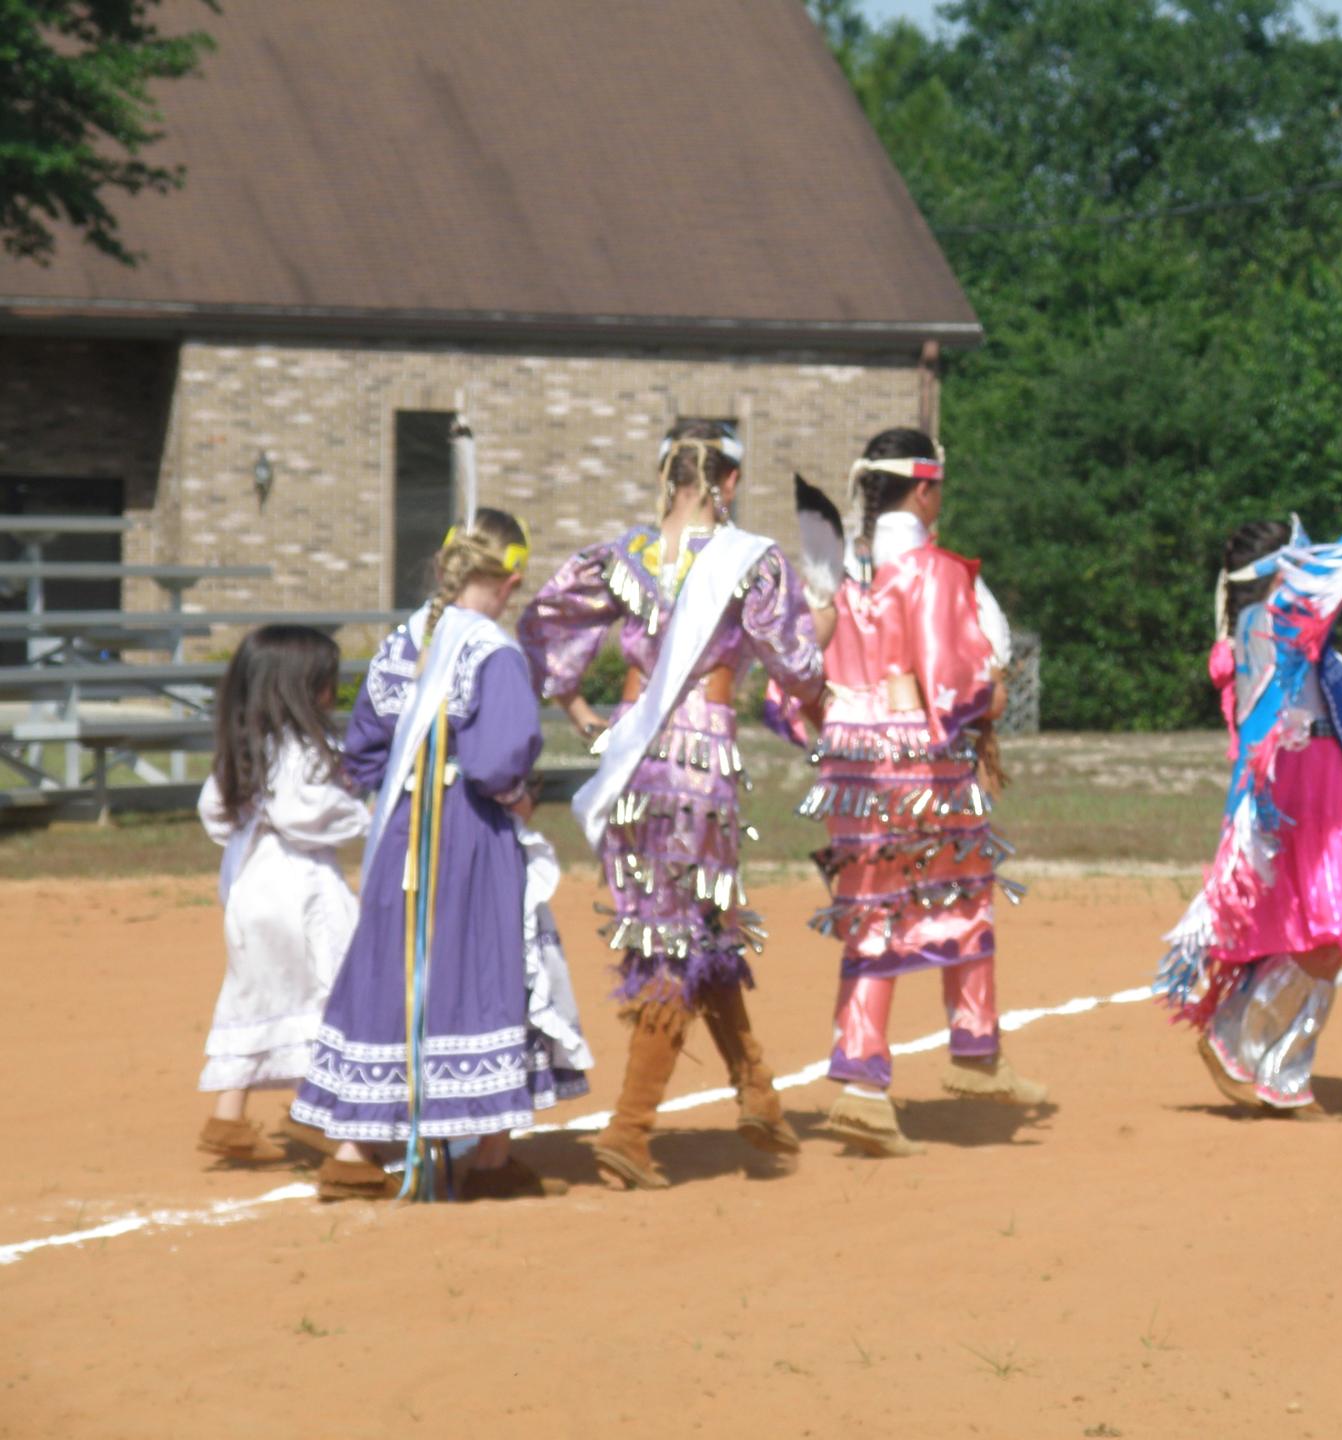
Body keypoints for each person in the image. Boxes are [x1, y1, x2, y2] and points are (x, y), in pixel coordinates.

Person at [519, 420, 827, 1191]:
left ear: (667, 476)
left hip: (632, 754)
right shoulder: (751, 563)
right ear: (726, 483)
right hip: (698, 762)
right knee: (673, 939)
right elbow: (796, 662)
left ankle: (757, 1091)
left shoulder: (621, 558)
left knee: (696, 925)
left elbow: (545, 623)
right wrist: (826, 622)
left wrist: (576, 710)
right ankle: (629, 1127)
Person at [292, 509, 589, 1200]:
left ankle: (352, 1148)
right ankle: (487, 1155)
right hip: (470, 831)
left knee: (395, 964)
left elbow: (363, 749)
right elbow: (496, 760)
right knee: (485, 964)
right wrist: (519, 795)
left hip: (400, 828)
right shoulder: (494, 652)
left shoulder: (402, 642)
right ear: (511, 579)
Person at [792, 426, 1043, 1158]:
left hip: (853, 766)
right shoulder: (931, 572)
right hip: (921, 766)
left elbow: (800, 672)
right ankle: (949, 1059)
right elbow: (951, 678)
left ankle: (914, 1071)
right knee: (959, 892)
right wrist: (986, 700)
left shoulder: (840, 569)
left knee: (877, 913)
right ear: (925, 488)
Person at [1154, 514, 1342, 1118]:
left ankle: (1284, 1077)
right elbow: (1323, 594)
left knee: (1320, 937)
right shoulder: (1274, 623)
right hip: (1302, 788)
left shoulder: (1263, 627)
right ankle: (1237, 1037)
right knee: (1325, 935)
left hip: (1308, 783)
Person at [195, 626, 370, 1163]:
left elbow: (214, 812)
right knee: (331, 990)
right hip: (303, 889)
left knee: (255, 994)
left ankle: (229, 1117)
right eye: (326, 683)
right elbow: (305, 812)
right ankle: (314, 1112)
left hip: (249, 889)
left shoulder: (244, 748)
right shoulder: (306, 750)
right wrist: (366, 815)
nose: (332, 693)